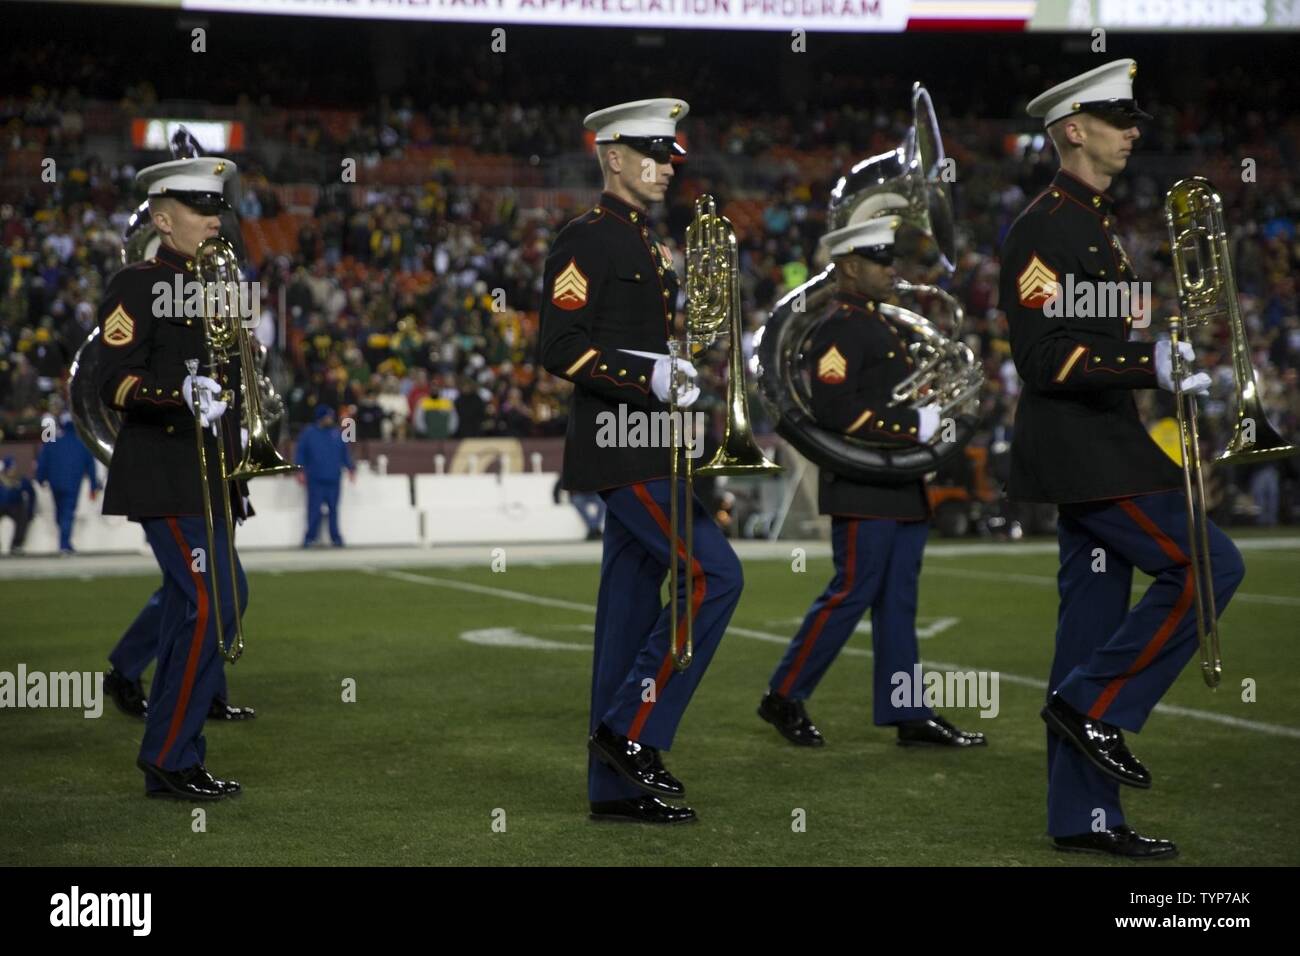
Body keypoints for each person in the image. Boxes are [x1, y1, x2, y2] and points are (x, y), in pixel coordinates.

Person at [1001, 59, 1245, 859]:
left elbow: (1095, 340)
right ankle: (1097, 705)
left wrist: (1158, 356)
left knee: (1090, 624)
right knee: (1209, 566)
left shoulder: (1096, 221)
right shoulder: (1046, 224)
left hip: (1106, 439)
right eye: (1119, 118)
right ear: (1074, 128)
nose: (1135, 130)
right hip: (1084, 449)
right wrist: (1147, 365)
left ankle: (1085, 817)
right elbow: (1042, 358)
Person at [539, 98, 743, 825]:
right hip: (621, 447)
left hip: (652, 444)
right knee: (715, 575)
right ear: (612, 156)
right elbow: (560, 346)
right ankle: (630, 731)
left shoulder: (650, 242)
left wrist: (676, 373)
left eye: (670, 158)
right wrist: (648, 377)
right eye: (651, 155)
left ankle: (612, 790)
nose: (665, 169)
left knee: (626, 617)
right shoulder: (586, 239)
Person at [759, 216, 986, 750]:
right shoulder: (839, 325)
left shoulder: (881, 323)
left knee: (899, 601)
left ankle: (908, 711)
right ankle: (784, 694)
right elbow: (835, 410)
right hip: (864, 482)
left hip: (898, 482)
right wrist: (915, 426)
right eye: (880, 261)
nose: (892, 269)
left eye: (892, 260)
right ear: (848, 266)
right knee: (851, 592)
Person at [97, 155, 252, 801]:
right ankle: (169, 756)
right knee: (209, 605)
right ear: (163, 218)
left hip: (207, 473)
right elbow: (112, 379)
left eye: (219, 208)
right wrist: (177, 391)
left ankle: (171, 747)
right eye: (201, 209)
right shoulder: (136, 282)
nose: (216, 220)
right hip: (162, 470)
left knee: (211, 604)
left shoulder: (217, 288)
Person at [35, 397, 100, 554]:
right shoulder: (81, 442)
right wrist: (94, 484)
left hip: (55, 481)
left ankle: (64, 541)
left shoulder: (52, 439)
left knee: (61, 511)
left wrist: (40, 477)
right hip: (72, 483)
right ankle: (64, 544)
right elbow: (90, 465)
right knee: (67, 512)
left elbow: (44, 457)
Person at [296, 403, 356, 548]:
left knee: (334, 510)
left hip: (334, 478)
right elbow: (301, 452)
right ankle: (310, 538)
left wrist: (350, 468)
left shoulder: (336, 433)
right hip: (316, 478)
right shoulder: (308, 433)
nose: (330, 419)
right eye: (328, 416)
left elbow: (344, 453)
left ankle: (336, 538)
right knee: (314, 510)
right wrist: (300, 470)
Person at [0, 456, 36, 555]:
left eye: (13, 467)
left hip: (15, 506)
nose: (12, 470)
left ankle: (16, 544)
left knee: (22, 516)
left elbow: (31, 494)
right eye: (11, 467)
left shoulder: (21, 479)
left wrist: (30, 510)